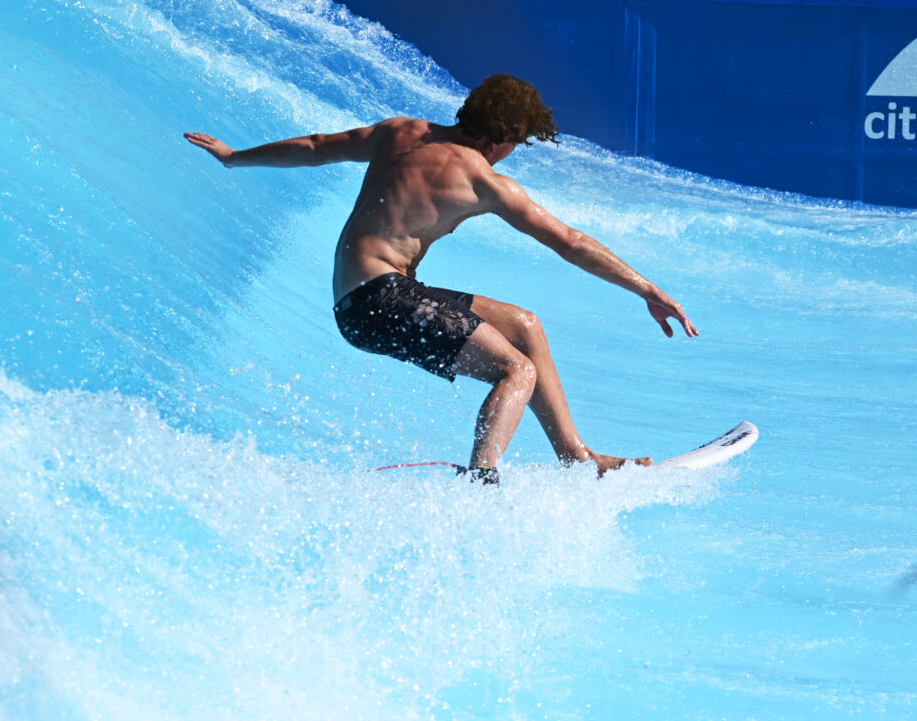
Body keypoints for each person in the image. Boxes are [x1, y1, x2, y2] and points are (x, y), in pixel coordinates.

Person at [184, 73, 698, 482]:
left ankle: (578, 459)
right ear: (505, 138)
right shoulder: (483, 179)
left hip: (369, 295)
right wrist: (647, 289)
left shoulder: (399, 132)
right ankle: (483, 479)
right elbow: (571, 242)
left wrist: (235, 158)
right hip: (380, 301)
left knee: (527, 327)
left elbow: (317, 147)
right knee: (517, 371)